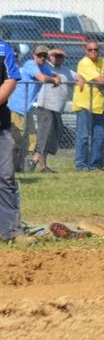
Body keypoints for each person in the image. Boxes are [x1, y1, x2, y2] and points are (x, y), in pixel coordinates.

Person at [72, 41, 104, 172]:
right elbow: (100, 80)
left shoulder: (102, 61)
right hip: (84, 104)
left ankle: (96, 165)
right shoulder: (84, 62)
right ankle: (81, 165)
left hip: (99, 105)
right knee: (83, 136)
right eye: (90, 50)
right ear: (86, 51)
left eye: (96, 50)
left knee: (100, 135)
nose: (93, 52)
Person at [12, 45, 60, 173]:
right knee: (17, 139)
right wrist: (53, 79)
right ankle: (12, 167)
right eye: (40, 55)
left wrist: (56, 78)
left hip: (26, 110)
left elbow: (55, 75)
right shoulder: (30, 64)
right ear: (34, 56)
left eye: (44, 56)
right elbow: (42, 78)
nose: (42, 58)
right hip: (16, 108)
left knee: (31, 140)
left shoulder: (43, 67)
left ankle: (19, 166)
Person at [31, 48, 72, 174]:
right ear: (50, 56)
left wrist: (80, 79)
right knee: (45, 136)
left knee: (52, 137)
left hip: (57, 109)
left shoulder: (66, 71)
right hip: (45, 107)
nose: (58, 58)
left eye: (60, 56)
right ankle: (43, 167)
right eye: (55, 55)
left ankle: (33, 161)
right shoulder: (46, 68)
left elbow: (78, 76)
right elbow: (40, 73)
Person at [0, 38, 21, 241]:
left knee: (5, 176)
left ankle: (9, 231)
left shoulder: (2, 48)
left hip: (1, 126)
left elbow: (11, 80)